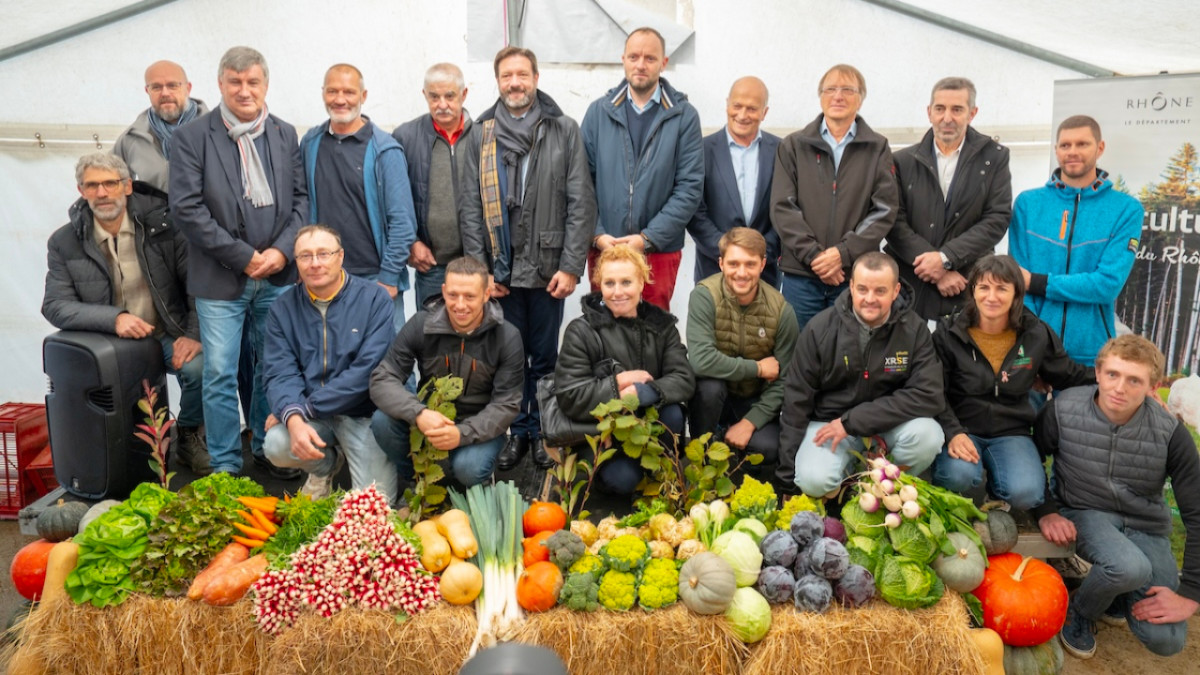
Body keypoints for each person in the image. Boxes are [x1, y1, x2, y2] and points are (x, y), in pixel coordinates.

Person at [170, 46, 307, 478]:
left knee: (274, 366)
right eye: (235, 81)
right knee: (218, 372)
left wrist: (281, 252)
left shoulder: (285, 134)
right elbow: (188, 210)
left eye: (253, 82)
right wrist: (244, 257)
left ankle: (268, 447)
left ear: (266, 84)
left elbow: (302, 202)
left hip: (278, 275)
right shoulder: (192, 137)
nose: (244, 90)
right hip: (220, 278)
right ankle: (226, 463)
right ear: (220, 85)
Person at [459, 47, 596, 472]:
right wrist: (480, 273)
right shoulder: (479, 133)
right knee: (508, 358)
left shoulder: (563, 129)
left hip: (548, 269)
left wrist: (572, 266)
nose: (514, 82)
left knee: (544, 356)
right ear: (497, 81)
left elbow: (581, 202)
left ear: (536, 77)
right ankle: (516, 432)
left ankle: (543, 433)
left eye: (522, 74)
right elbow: (469, 208)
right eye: (506, 75)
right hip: (499, 271)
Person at [1034, 335, 1200, 659]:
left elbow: (1197, 513)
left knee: (1167, 640)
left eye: (1134, 380)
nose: (1119, 388)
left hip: (1145, 524)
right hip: (1083, 510)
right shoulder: (1063, 409)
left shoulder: (1170, 433)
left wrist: (1191, 593)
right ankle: (1080, 611)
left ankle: (1113, 595)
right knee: (1127, 567)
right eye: (1112, 374)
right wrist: (1046, 509)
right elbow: (1031, 458)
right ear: (1097, 372)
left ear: (1154, 387)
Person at [42, 153, 209, 474]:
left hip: (165, 333)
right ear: (81, 190)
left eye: (110, 183)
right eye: (92, 185)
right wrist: (114, 319)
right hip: (110, 344)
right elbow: (55, 305)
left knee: (201, 370)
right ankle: (118, 453)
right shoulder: (64, 242)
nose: (102, 193)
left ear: (127, 186)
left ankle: (188, 434)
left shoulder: (165, 226)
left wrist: (192, 335)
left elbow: (198, 285)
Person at [931, 255, 1093, 511]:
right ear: (973, 291)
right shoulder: (949, 333)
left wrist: (1109, 379)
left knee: (1025, 494)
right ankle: (959, 498)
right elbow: (933, 390)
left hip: (1011, 432)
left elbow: (1067, 374)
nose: (992, 297)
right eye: (984, 287)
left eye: (1002, 288)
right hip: (962, 427)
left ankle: (996, 500)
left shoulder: (1035, 333)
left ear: (1016, 293)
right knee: (958, 476)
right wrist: (953, 432)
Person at [778, 252, 944, 498]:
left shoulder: (914, 329)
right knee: (813, 481)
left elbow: (928, 395)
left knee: (929, 436)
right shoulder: (819, 329)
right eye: (863, 289)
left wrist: (853, 421)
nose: (870, 299)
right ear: (852, 287)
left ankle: (879, 488)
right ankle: (847, 481)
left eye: (880, 291)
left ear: (896, 290)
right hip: (829, 424)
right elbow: (796, 401)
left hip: (887, 426)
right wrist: (785, 479)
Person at [262, 225, 397, 500]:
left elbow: (367, 372)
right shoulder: (282, 308)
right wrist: (293, 415)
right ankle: (324, 467)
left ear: (341, 256)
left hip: (362, 413)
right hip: (315, 415)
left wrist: (305, 408)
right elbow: (279, 372)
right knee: (276, 444)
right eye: (305, 256)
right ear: (296, 262)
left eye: (324, 254)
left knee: (377, 509)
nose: (315, 263)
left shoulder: (374, 299)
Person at [370, 257, 523, 488]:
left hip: (479, 426)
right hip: (430, 417)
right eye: (453, 295)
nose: (460, 305)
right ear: (443, 291)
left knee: (469, 469)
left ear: (486, 293)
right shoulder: (421, 324)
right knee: (382, 421)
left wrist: (462, 434)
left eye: (470, 296)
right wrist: (418, 413)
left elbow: (506, 405)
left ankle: (475, 481)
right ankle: (417, 481)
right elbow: (382, 378)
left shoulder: (506, 336)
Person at [553, 246, 695, 495]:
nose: (617, 292)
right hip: (599, 430)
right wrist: (618, 384)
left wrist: (642, 392)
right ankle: (612, 476)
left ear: (642, 282)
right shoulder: (581, 331)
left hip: (645, 427)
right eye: (609, 283)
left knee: (673, 414)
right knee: (623, 481)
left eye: (626, 282)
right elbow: (569, 394)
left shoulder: (662, 327)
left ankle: (659, 470)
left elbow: (683, 379)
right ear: (599, 284)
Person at [581, 27, 703, 311]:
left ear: (664, 63)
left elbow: (689, 187)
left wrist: (647, 239)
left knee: (653, 333)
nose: (640, 64)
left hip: (658, 250)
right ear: (623, 59)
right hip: (606, 248)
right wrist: (597, 235)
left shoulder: (684, 117)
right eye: (634, 56)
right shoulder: (598, 113)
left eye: (650, 58)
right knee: (604, 328)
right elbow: (581, 183)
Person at [1008, 115, 1143, 365]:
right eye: (1065, 145)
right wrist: (1033, 344)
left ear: (1099, 148)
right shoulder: (1028, 203)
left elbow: (1107, 285)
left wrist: (1037, 282)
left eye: (1082, 144)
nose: (1072, 152)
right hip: (1029, 350)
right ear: (1056, 149)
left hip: (1090, 354)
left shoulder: (1126, 209)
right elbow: (1018, 282)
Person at [771, 64, 897, 330]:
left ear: (860, 99)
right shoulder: (793, 145)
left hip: (852, 276)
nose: (838, 96)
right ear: (821, 97)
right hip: (801, 275)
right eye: (831, 89)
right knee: (799, 354)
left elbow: (883, 210)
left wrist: (842, 254)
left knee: (848, 356)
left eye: (847, 90)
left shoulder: (877, 147)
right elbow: (783, 208)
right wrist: (816, 257)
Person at [300, 64, 417, 332]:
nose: (340, 99)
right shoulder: (310, 143)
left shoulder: (385, 150)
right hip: (325, 275)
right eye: (332, 91)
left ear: (363, 97)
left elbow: (403, 222)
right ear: (323, 94)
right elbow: (304, 206)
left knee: (389, 362)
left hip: (375, 277)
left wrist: (388, 278)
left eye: (349, 92)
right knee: (333, 361)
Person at [885, 77, 1012, 321]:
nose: (947, 118)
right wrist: (938, 271)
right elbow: (893, 221)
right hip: (911, 285)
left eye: (957, 109)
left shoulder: (994, 158)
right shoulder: (902, 160)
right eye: (940, 109)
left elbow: (996, 219)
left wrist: (945, 259)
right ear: (929, 112)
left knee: (964, 356)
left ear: (972, 113)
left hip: (967, 284)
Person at [687, 228, 797, 485]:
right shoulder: (704, 296)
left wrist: (750, 422)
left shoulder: (781, 309)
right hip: (714, 398)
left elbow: (784, 379)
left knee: (768, 449)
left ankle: (737, 454)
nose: (741, 272)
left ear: (763, 264)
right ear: (721, 263)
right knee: (708, 387)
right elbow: (701, 360)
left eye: (750, 264)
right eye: (734, 263)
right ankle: (702, 459)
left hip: (753, 400)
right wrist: (758, 368)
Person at [687, 76, 782, 288]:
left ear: (764, 112)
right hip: (713, 269)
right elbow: (694, 211)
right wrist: (727, 252)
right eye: (737, 106)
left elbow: (786, 209)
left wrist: (759, 253)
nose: (742, 115)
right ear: (727, 104)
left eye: (752, 108)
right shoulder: (700, 151)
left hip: (764, 272)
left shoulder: (782, 151)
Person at [393, 63, 472, 306]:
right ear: (424, 95)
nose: (442, 104)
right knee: (431, 335)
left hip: (475, 263)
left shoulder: (483, 136)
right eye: (434, 97)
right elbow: (396, 200)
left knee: (476, 336)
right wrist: (412, 242)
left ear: (464, 95)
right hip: (430, 264)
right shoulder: (405, 137)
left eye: (450, 96)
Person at [113, 60, 208, 192]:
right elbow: (111, 184)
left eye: (172, 85)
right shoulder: (132, 138)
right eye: (156, 87)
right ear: (147, 91)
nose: (165, 93)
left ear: (188, 88)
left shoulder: (217, 132)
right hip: (156, 212)